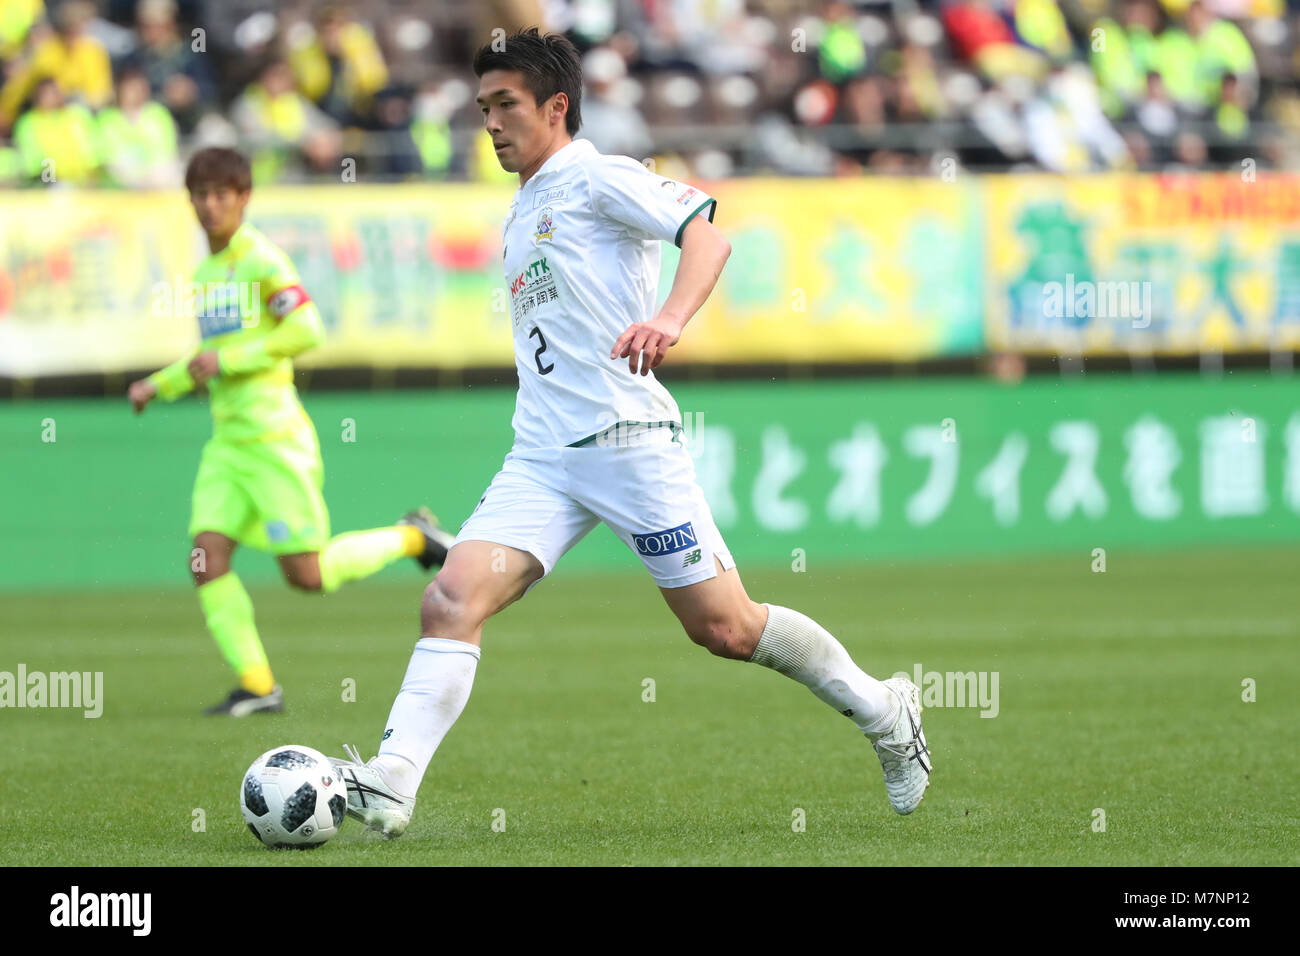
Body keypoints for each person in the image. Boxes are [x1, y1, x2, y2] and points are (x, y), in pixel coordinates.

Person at [330, 28, 930, 837]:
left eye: (506, 105)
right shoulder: (522, 207)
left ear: (556, 106)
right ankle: (392, 783)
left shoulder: (599, 178)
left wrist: (669, 319)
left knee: (725, 627)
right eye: (483, 108)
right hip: (542, 457)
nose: (491, 123)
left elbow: (709, 237)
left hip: (627, 443)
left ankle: (886, 710)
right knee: (449, 599)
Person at [127, 147, 454, 716]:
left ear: (244, 198)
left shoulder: (260, 259)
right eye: (200, 195)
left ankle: (413, 537)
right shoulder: (205, 274)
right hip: (228, 446)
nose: (210, 205)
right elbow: (209, 359)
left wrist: (230, 361)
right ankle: (258, 687)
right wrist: (157, 385)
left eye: (222, 194)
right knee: (206, 558)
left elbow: (306, 328)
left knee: (307, 574)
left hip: (274, 440)